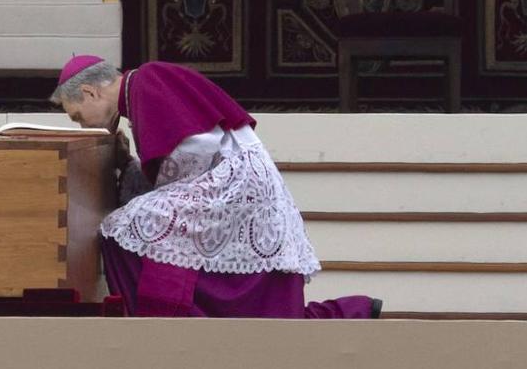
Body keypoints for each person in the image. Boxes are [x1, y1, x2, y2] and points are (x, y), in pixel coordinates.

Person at [51, 55, 378, 319]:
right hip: (233, 181)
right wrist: (131, 166)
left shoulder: (146, 80)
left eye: (79, 116)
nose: (84, 125)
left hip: (233, 183)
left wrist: (148, 187)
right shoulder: (139, 88)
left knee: (119, 227)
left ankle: (162, 316)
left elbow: (197, 146)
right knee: (147, 228)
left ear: (90, 92)